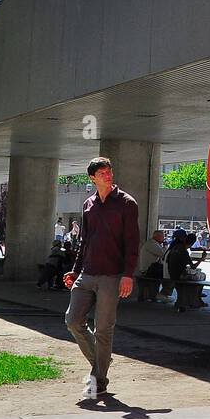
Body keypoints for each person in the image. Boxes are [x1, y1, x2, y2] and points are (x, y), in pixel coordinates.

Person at [63, 157, 139, 400]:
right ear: (92, 178)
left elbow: (132, 243)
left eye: (109, 171)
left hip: (112, 276)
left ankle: (99, 380)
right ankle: (102, 360)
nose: (108, 175)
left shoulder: (127, 203)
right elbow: (84, 241)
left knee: (104, 329)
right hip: (87, 273)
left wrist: (128, 274)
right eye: (102, 173)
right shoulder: (88, 205)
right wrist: (75, 270)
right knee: (73, 320)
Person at [137, 229, 168, 302]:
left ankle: (159, 294)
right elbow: (163, 254)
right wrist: (165, 246)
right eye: (163, 236)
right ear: (157, 236)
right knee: (169, 274)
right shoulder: (151, 244)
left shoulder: (154, 244)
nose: (164, 238)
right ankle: (163, 293)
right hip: (148, 270)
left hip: (151, 269)